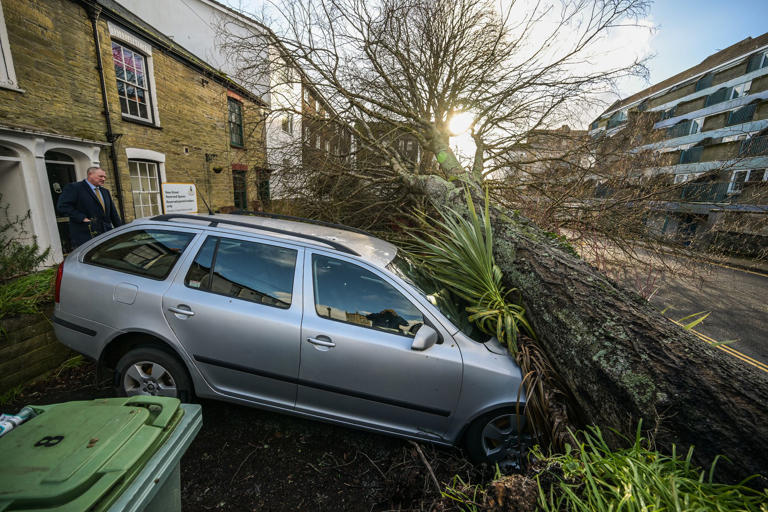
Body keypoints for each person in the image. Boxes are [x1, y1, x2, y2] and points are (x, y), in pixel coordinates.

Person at [57, 166, 122, 248]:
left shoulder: (105, 191)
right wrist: (82, 218)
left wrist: (121, 231)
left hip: (106, 234)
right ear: (90, 174)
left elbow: (113, 213)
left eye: (105, 177)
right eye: (100, 176)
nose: (103, 179)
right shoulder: (75, 188)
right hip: (85, 235)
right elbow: (63, 206)